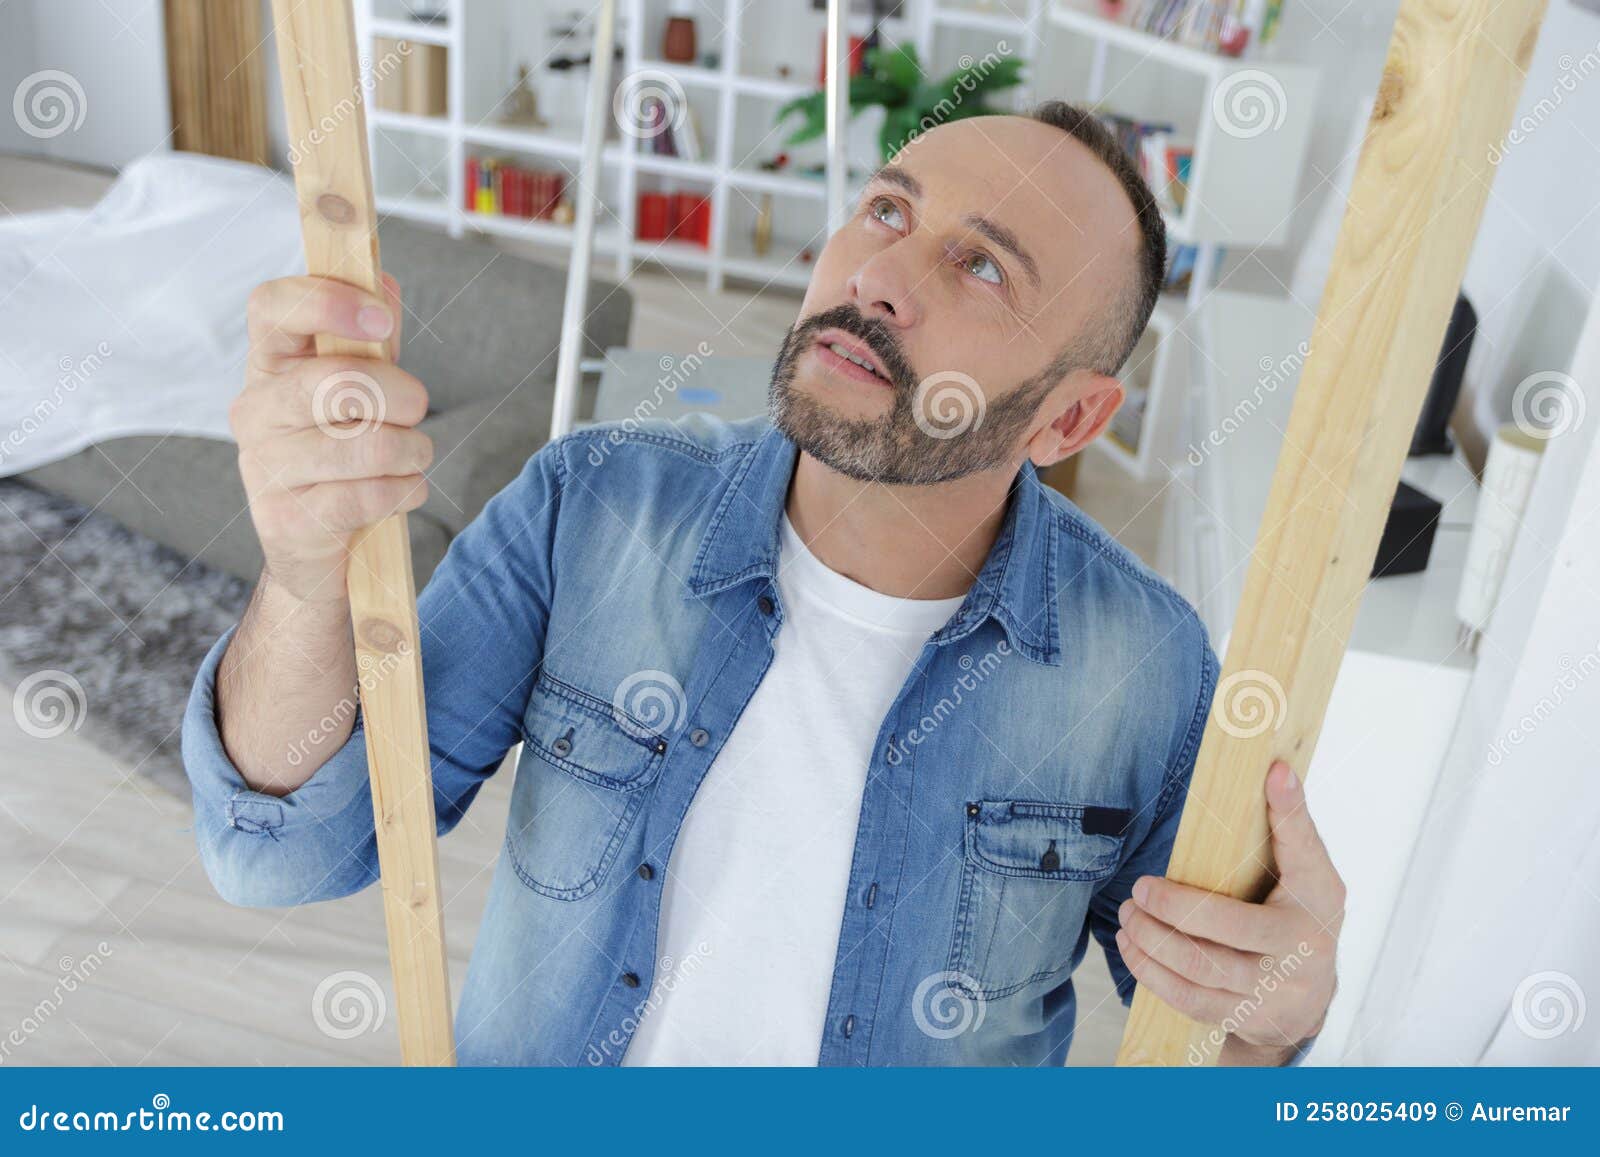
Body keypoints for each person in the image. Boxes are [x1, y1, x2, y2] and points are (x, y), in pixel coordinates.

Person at [185, 102, 1342, 1065]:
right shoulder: (586, 509)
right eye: (887, 209)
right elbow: (283, 849)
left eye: (980, 264)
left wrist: (1281, 1009)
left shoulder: (1146, 663)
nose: (877, 274)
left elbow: (1204, 1039)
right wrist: (300, 575)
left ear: (1067, 417)